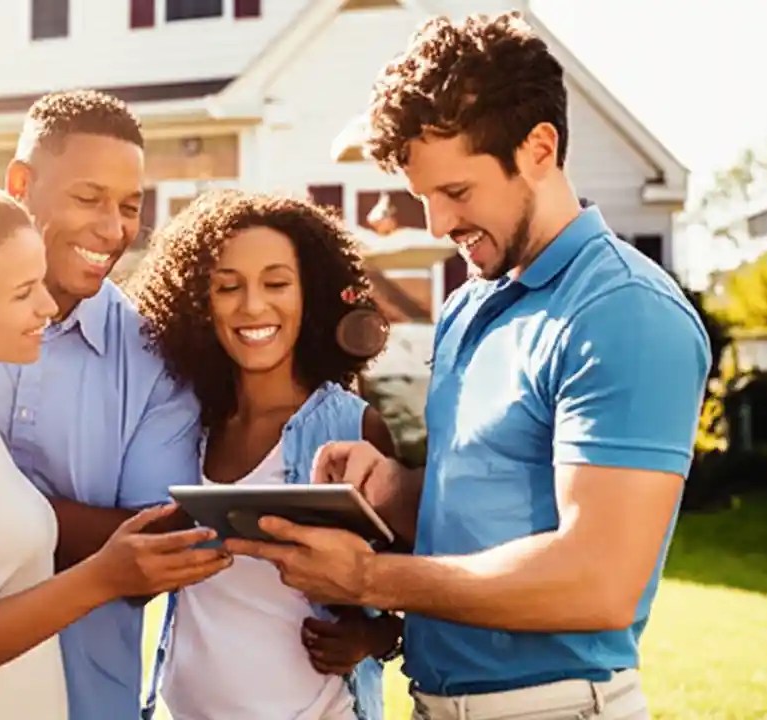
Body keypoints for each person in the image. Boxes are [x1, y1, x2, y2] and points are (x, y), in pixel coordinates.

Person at [226, 13, 711, 720]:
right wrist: (392, 490)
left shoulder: (623, 314)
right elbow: (489, 515)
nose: (436, 224)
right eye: (422, 196)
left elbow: (597, 582)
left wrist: (372, 577)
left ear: (539, 149)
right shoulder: (469, 308)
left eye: (456, 193)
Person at [0, 90, 231, 719]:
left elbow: (156, 540)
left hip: (87, 701)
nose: (112, 229)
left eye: (130, 207)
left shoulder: (157, 361)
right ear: (21, 183)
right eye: (88, 198)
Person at [131, 190, 401, 720]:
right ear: (198, 303)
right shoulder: (187, 426)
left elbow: (419, 584)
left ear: (312, 295)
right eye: (228, 287)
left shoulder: (353, 426)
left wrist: (370, 635)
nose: (253, 306)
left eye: (276, 284)